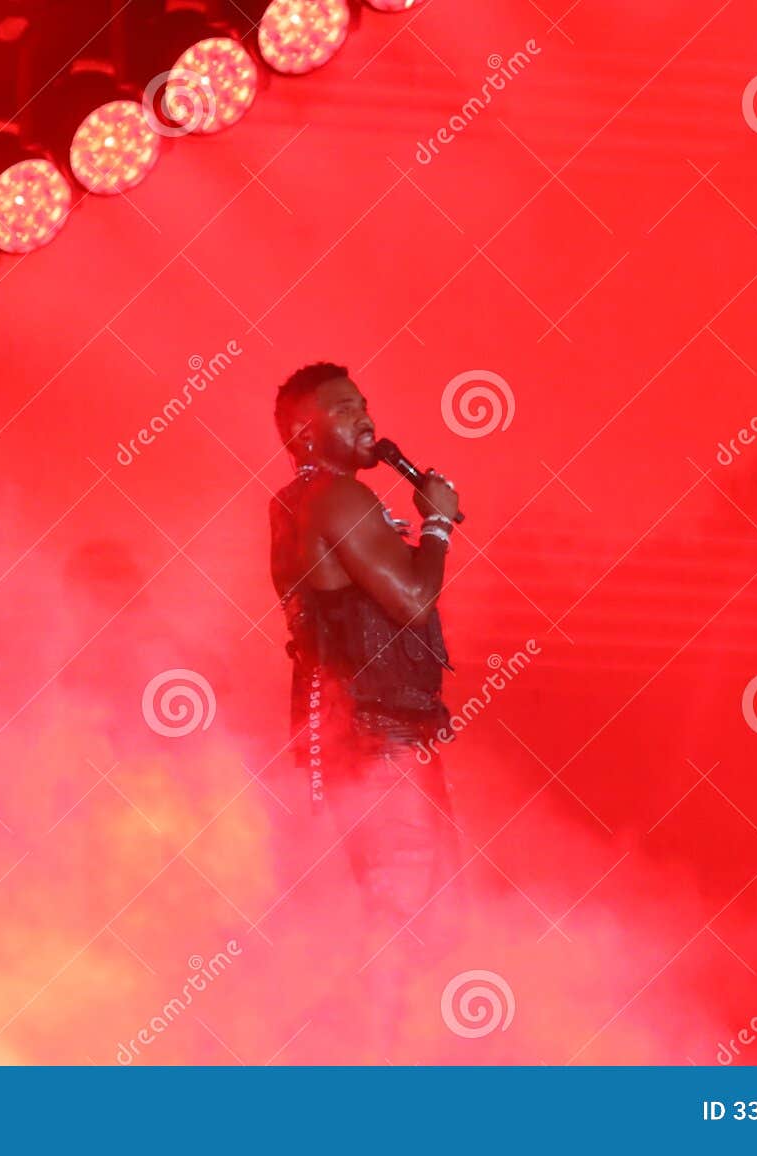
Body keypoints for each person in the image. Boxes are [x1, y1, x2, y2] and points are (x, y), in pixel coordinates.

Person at [268, 361, 464, 1052]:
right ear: (303, 431)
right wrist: (436, 525)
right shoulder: (336, 498)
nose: (365, 417)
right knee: (414, 929)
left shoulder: (295, 504)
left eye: (365, 403)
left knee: (402, 920)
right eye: (344, 407)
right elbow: (413, 601)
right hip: (382, 744)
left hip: (354, 740)